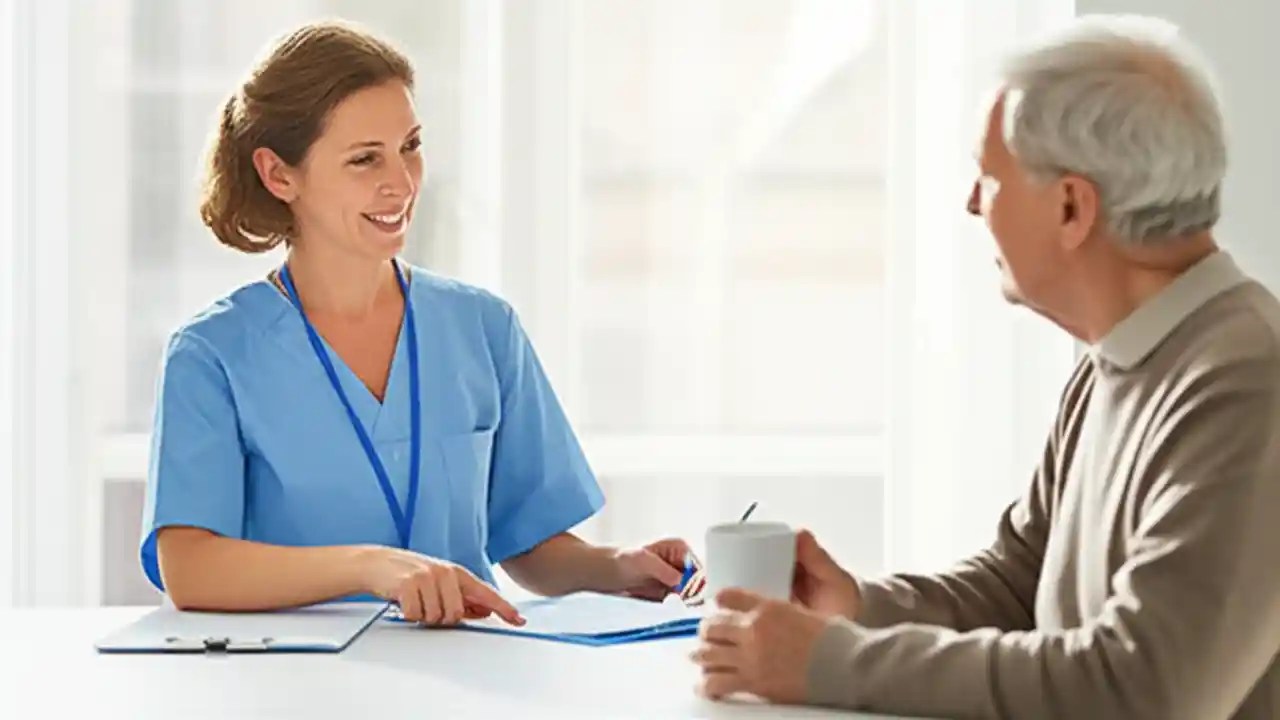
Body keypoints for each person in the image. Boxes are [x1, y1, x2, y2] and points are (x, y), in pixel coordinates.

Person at [692, 14, 1279, 719]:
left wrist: (826, 662)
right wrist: (855, 608)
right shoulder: (1119, 360)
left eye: (990, 177)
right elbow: (1019, 588)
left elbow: (1146, 686)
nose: (973, 203)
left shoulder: (1247, 381)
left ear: (1071, 207)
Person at [140, 19, 702, 626]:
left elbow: (527, 543)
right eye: (364, 159)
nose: (401, 183)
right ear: (280, 175)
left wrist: (618, 566)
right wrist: (369, 567)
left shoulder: (483, 327)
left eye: (410, 146)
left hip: (470, 672)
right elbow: (190, 567)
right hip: (293, 685)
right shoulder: (213, 354)